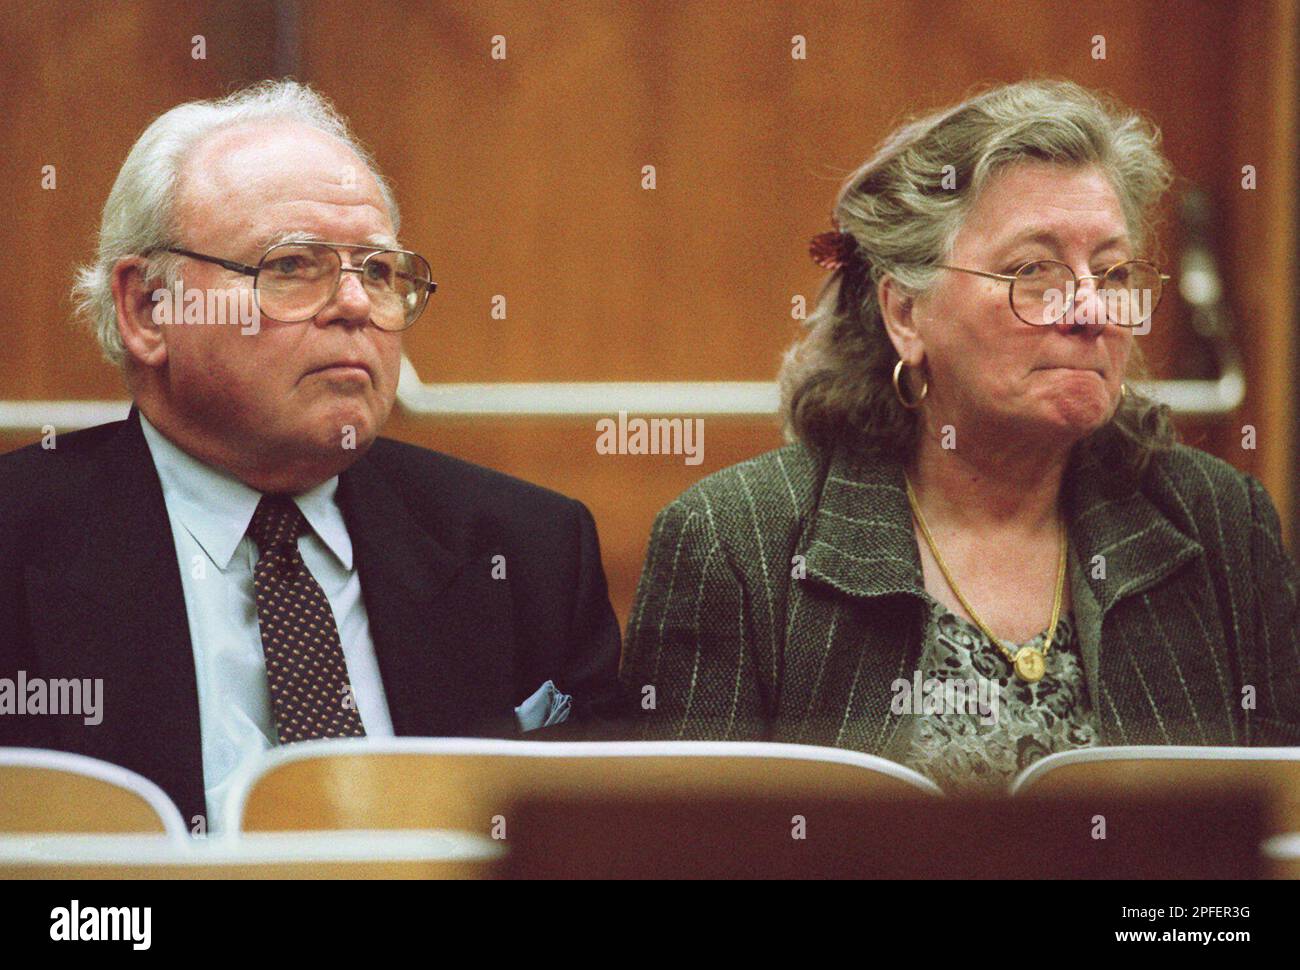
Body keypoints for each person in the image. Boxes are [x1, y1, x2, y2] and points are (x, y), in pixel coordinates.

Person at [620, 79, 1300, 793]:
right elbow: (681, 853)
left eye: (1113, 272)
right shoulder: (736, 545)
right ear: (906, 314)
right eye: (1032, 271)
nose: (1090, 310)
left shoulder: (1223, 525)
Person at [0, 80, 621, 830]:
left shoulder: (529, 550)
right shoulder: (17, 539)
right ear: (147, 309)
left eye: (380, 272)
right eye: (292, 266)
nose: (356, 305)